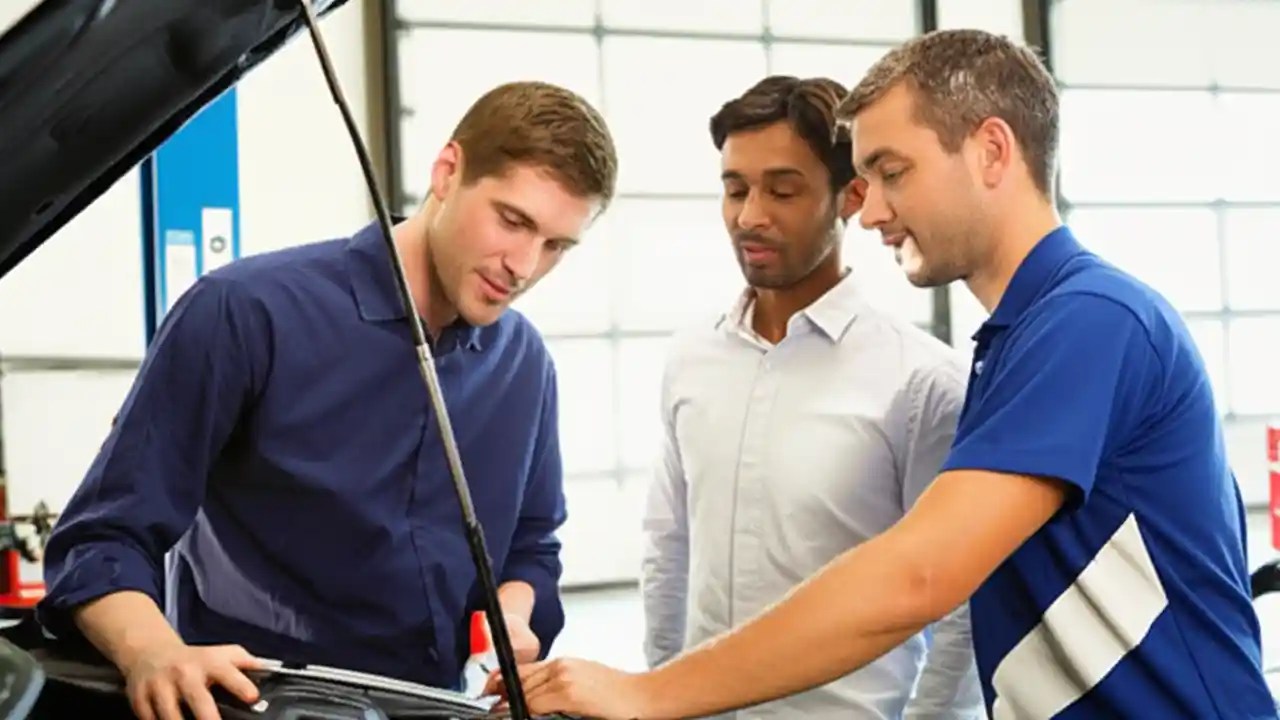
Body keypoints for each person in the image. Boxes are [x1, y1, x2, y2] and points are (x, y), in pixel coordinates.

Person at [487, 29, 1279, 720]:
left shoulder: (1092, 321)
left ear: (992, 151)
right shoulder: (1014, 339)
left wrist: (646, 694)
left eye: (892, 171)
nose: (869, 211)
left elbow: (920, 576)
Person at [37, 80, 618, 720]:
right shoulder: (244, 314)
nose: (525, 266)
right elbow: (102, 539)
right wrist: (151, 650)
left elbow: (532, 548)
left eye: (557, 245)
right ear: (448, 172)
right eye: (513, 220)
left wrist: (511, 613)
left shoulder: (525, 363)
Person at [639, 75, 981, 719]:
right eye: (735, 189)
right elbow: (669, 545)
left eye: (783, 190)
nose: (750, 216)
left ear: (851, 197)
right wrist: (659, 697)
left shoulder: (922, 382)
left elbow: (960, 602)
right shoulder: (691, 359)